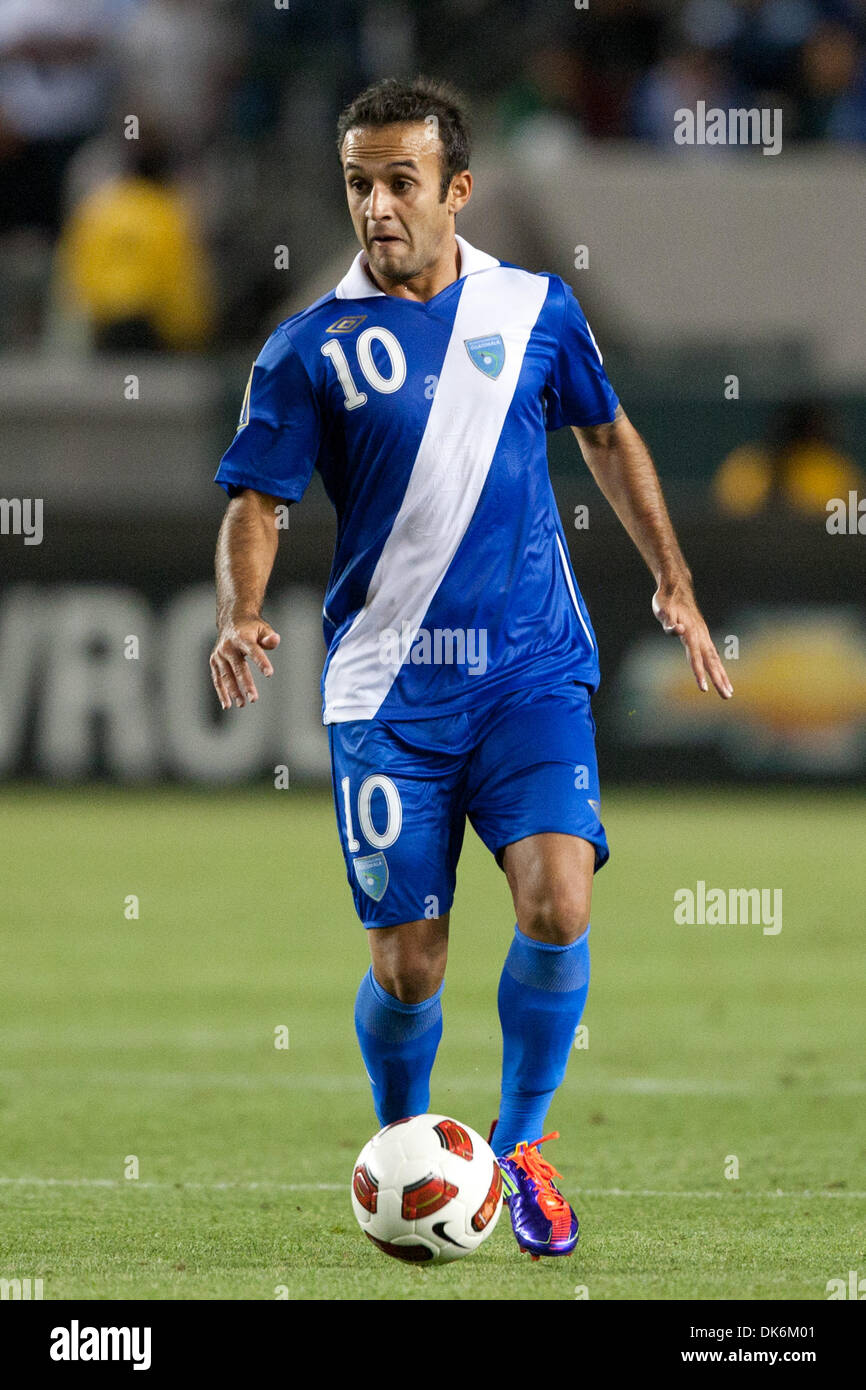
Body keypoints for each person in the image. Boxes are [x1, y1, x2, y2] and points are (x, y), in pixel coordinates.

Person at [209, 76, 733, 1261]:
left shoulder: (537, 309)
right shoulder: (307, 351)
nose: (377, 207)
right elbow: (256, 499)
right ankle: (409, 1148)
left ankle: (523, 1143)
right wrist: (242, 610)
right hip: (387, 697)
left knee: (556, 898)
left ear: (456, 188)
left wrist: (673, 578)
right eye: (357, 184)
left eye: (400, 182)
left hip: (528, 672)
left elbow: (605, 433)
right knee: (410, 964)